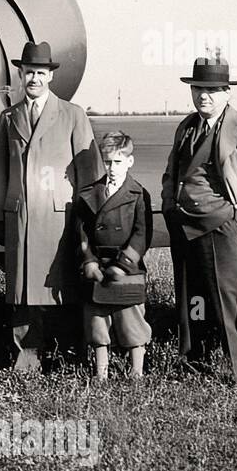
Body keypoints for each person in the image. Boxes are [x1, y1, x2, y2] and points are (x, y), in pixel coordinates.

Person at [161, 56, 237, 386]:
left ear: (227, 92)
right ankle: (194, 365)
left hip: (225, 229)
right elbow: (172, 173)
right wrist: (169, 205)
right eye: (198, 88)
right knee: (192, 300)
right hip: (184, 227)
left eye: (212, 90)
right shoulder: (186, 127)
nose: (204, 96)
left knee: (232, 301)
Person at [0, 41, 102, 371]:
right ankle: (26, 360)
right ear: (20, 75)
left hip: (60, 219)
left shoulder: (72, 115)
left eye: (40, 73)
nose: (34, 79)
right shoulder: (8, 117)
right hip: (21, 218)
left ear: (50, 76)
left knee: (61, 287)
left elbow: (90, 171)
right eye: (28, 73)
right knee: (22, 291)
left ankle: (68, 355)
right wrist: (0, 215)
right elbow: (1, 171)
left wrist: (89, 219)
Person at [75, 131, 152, 379]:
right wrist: (89, 261)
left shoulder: (138, 194)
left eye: (118, 162)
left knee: (132, 322)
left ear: (130, 161)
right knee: (97, 322)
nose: (112, 167)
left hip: (127, 270)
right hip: (97, 267)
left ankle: (136, 372)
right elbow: (82, 231)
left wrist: (123, 264)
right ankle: (101, 372)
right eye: (108, 162)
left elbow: (142, 234)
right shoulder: (89, 194)